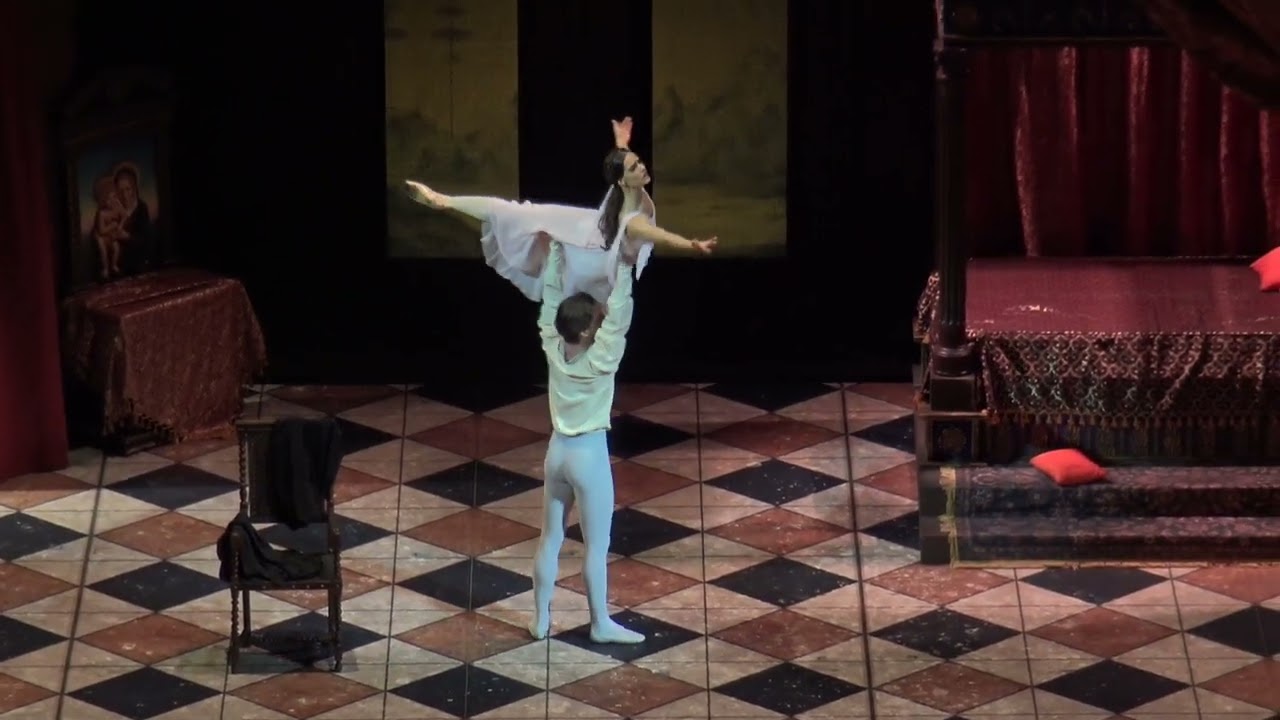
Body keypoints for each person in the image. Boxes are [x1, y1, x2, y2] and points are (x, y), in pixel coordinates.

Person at [404, 117, 716, 303]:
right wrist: (691, 245)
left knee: (595, 319)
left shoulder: (628, 203)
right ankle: (444, 201)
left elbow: (651, 226)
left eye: (640, 162)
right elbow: (656, 233)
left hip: (595, 255)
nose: (643, 167)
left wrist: (622, 144)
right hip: (590, 234)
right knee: (520, 213)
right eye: (635, 166)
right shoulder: (628, 210)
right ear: (622, 180)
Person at [528, 239, 647, 644]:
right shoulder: (601, 359)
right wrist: (626, 269)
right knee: (596, 546)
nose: (602, 322)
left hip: (556, 452)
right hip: (588, 455)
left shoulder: (551, 345)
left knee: (551, 537)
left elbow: (549, 304)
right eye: (596, 320)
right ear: (583, 329)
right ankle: (599, 623)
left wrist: (556, 258)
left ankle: (541, 620)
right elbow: (621, 318)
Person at [91, 176, 129, 279]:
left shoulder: (117, 205)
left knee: (116, 247)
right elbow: (101, 231)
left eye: (114, 197)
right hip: (102, 236)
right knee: (102, 247)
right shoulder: (101, 213)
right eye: (109, 199)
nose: (112, 201)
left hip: (111, 234)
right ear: (103, 200)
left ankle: (114, 265)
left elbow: (125, 215)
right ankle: (105, 268)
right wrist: (112, 226)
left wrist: (120, 226)